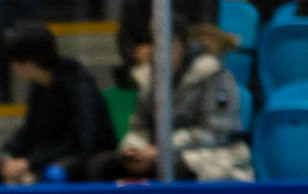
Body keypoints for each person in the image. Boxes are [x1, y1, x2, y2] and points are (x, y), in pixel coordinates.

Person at [88, 16, 252, 182]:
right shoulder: (148, 79)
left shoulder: (214, 75)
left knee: (172, 165)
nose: (162, 54)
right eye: (157, 45)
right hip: (155, 153)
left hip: (210, 155)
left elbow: (215, 133)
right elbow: (139, 128)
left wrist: (161, 150)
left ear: (186, 46)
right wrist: (133, 149)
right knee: (102, 165)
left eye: (169, 45)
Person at [0, 23, 114, 184]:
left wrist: (31, 163)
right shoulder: (39, 87)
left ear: (29, 64)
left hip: (86, 160)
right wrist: (1, 155)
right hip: (49, 157)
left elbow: (83, 142)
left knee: (54, 174)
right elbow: (30, 132)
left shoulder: (80, 86)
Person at [116, 0, 218, 82]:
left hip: (189, 64)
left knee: (205, 67)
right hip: (147, 68)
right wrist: (136, 55)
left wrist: (161, 51)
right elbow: (125, 38)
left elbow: (205, 32)